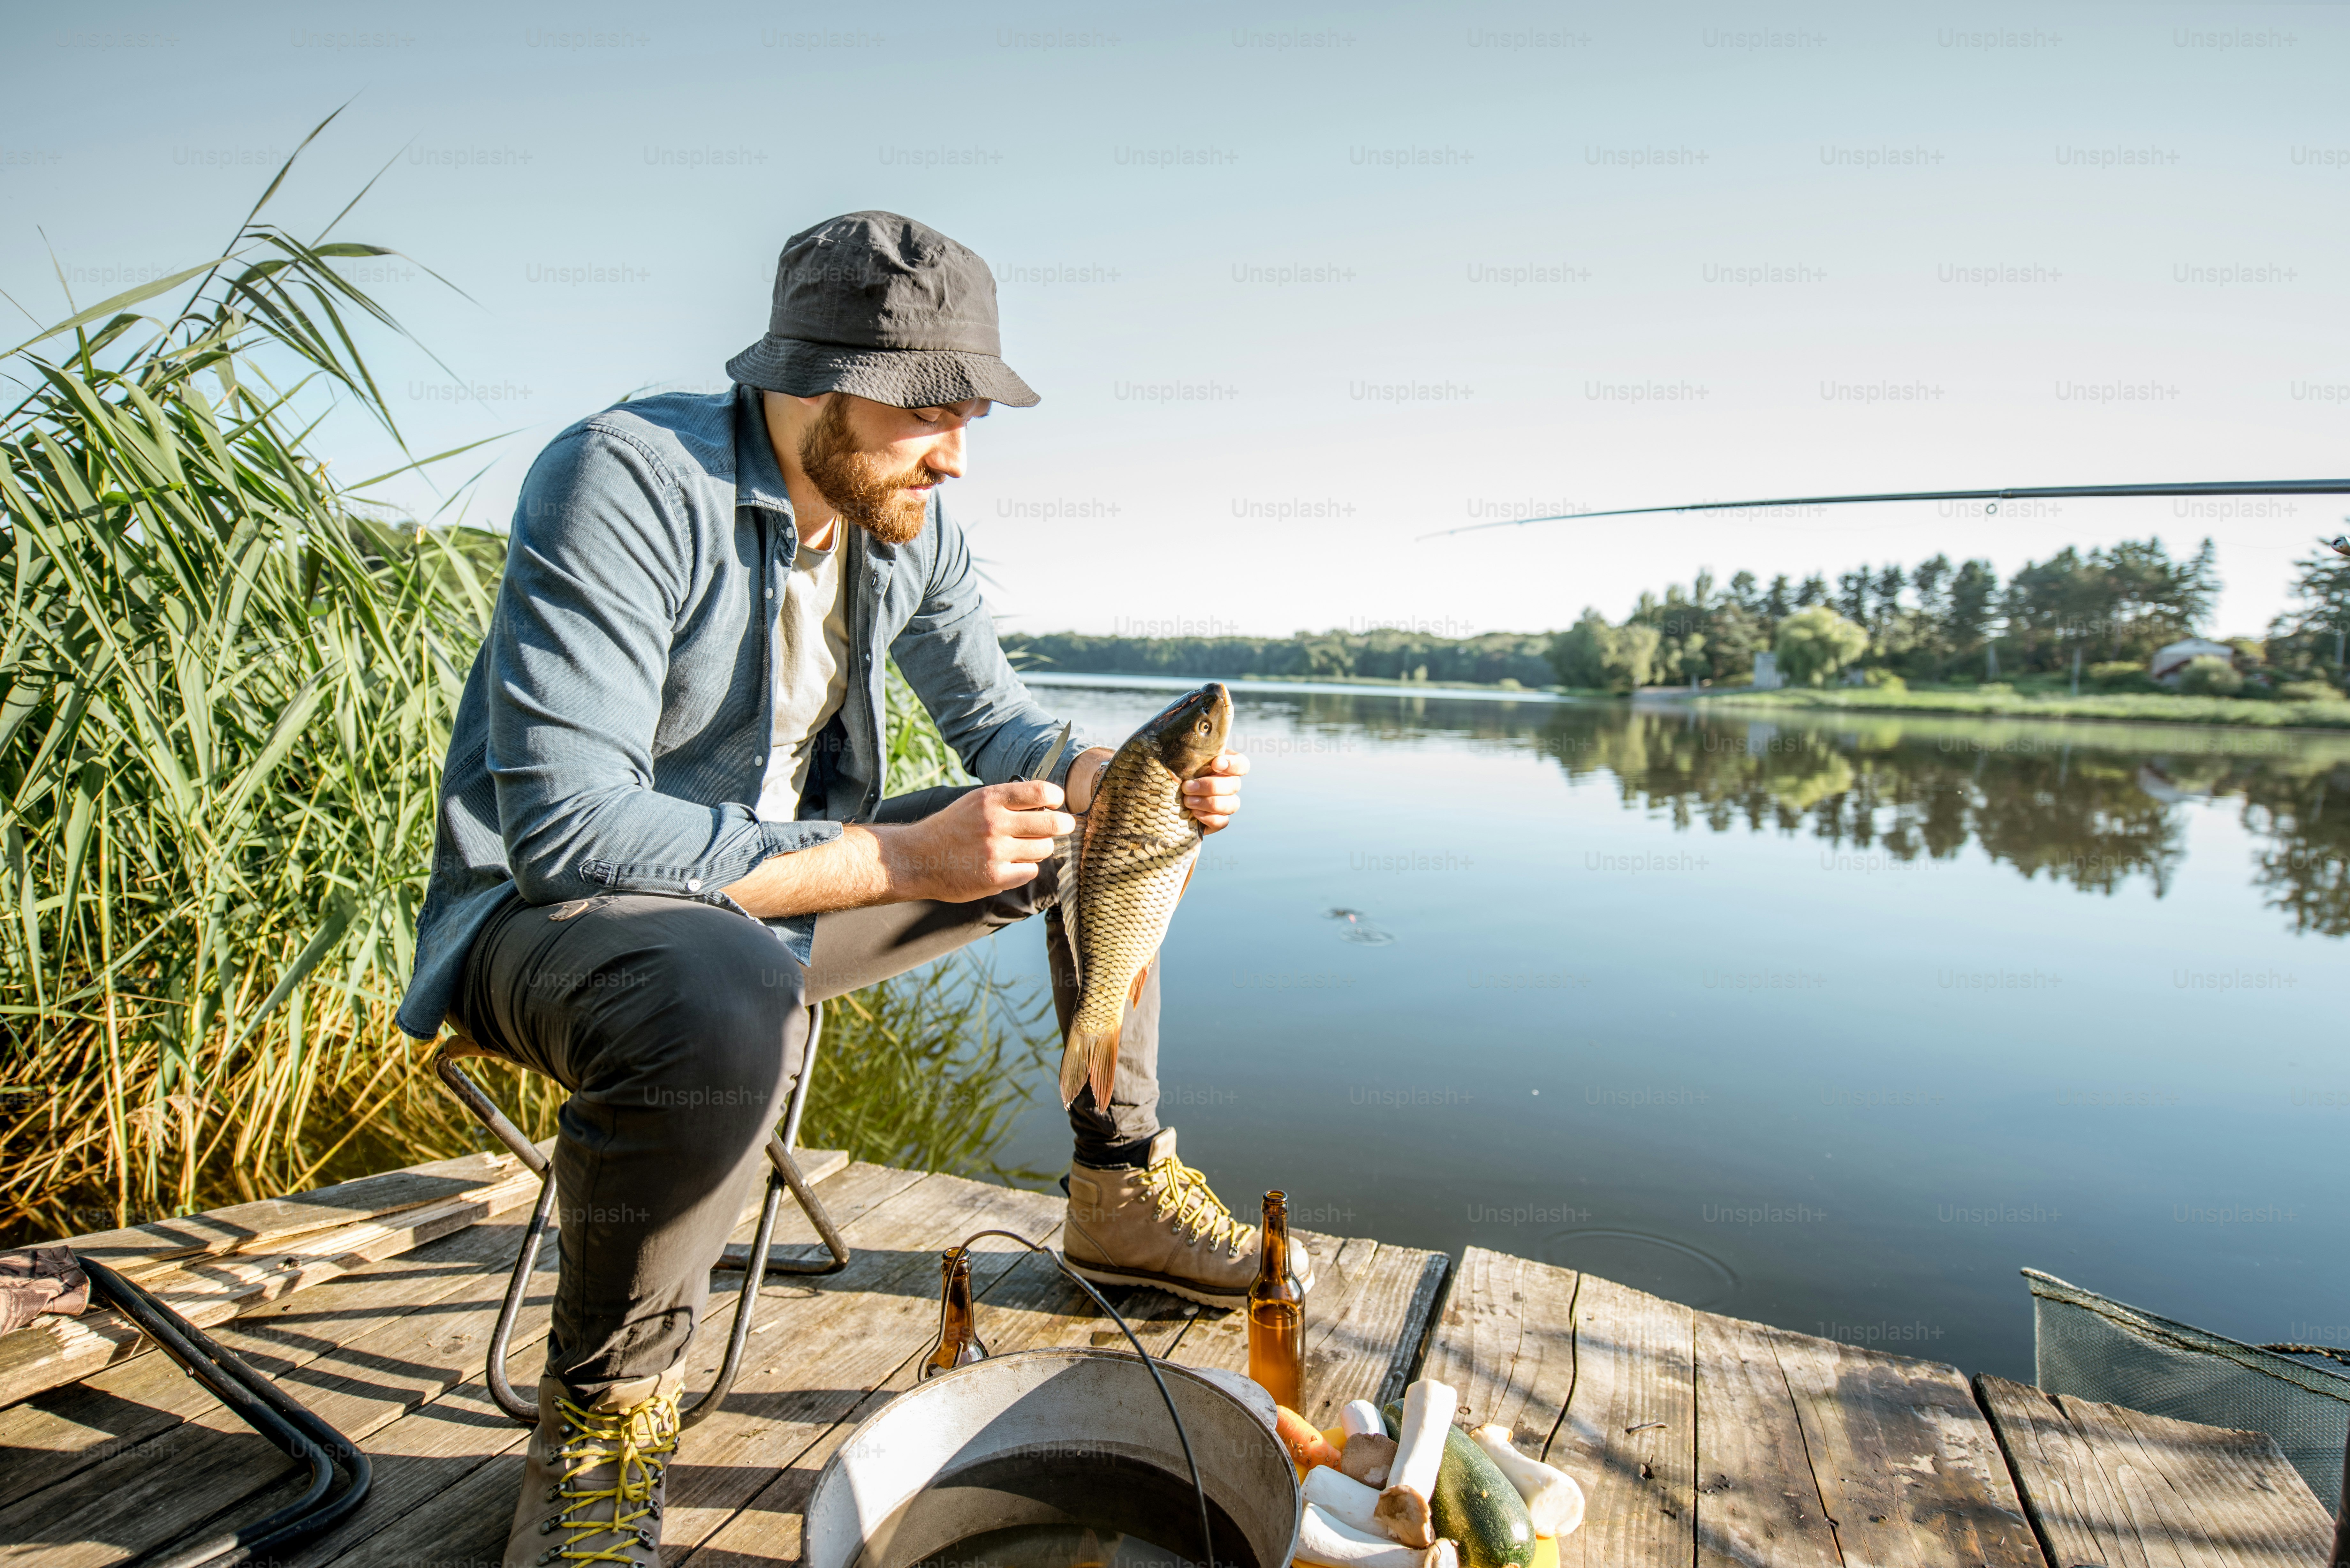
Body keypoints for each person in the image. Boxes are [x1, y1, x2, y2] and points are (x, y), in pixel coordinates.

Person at [394, 212, 1308, 1568]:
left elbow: (1005, 729)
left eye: (970, 415)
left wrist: (1127, 774)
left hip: (774, 910)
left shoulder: (903, 521)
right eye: (927, 411)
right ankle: (601, 1425)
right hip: (554, 929)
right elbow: (569, 830)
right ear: (814, 379)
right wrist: (898, 856)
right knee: (714, 983)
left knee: (1083, 821)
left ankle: (1116, 1185)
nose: (953, 451)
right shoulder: (625, 478)